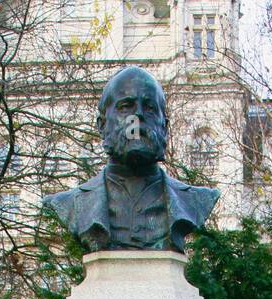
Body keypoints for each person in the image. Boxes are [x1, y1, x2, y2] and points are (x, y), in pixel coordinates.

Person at [44, 65, 218, 252]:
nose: (138, 116)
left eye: (150, 108)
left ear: (164, 127)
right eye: (126, 107)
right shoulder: (71, 204)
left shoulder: (194, 201)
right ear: (101, 125)